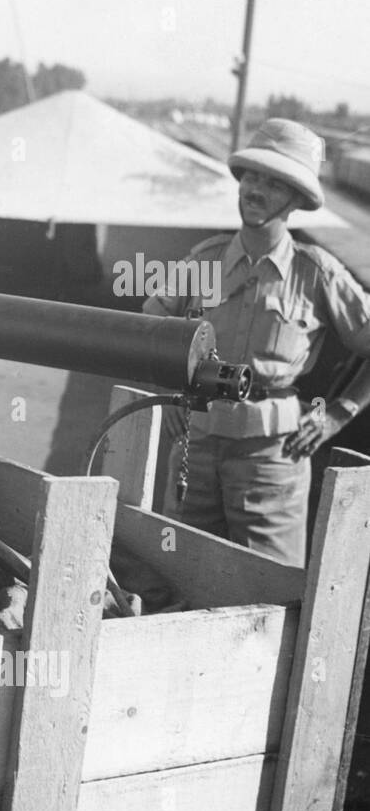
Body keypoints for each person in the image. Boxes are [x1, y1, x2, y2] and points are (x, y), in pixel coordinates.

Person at [143, 118, 370, 566]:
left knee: (267, 586)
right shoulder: (204, 261)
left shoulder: (316, 273)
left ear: (296, 199)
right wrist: (169, 393)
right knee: (176, 569)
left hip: (272, 457)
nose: (256, 189)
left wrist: (336, 414)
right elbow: (151, 328)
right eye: (251, 175)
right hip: (196, 446)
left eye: (274, 182)